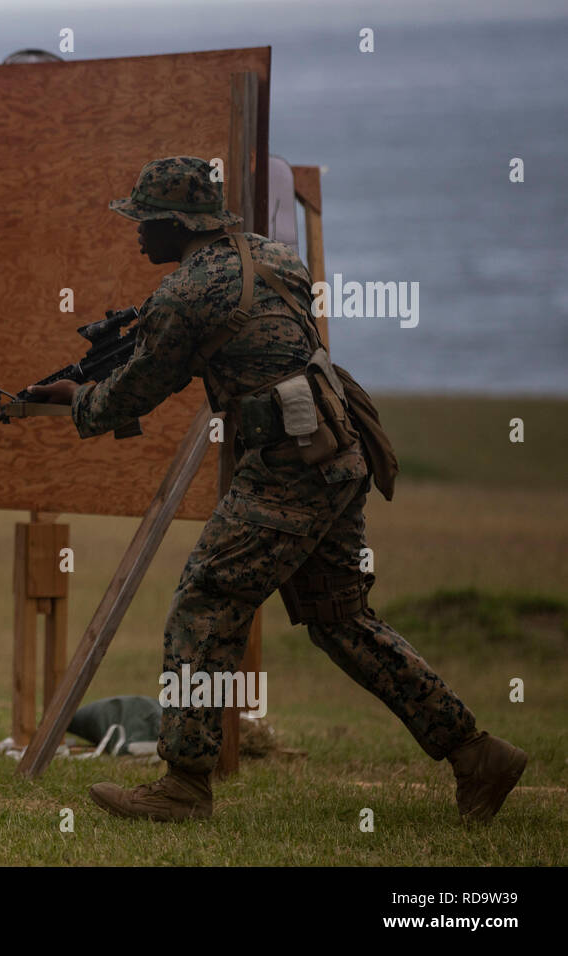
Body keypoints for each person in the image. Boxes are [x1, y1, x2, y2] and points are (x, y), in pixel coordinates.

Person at [28, 156, 526, 823]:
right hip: (338, 448)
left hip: (289, 466)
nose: (137, 235)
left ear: (178, 223)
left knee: (203, 606)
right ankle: (476, 754)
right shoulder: (274, 258)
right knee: (341, 621)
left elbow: (134, 394)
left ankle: (182, 786)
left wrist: (74, 400)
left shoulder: (184, 294)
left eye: (145, 222)